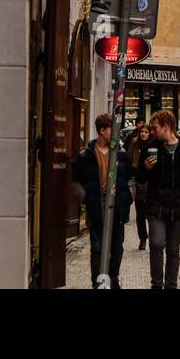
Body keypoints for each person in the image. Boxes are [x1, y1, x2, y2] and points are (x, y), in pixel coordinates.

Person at [136, 110, 180, 291]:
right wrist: (145, 168)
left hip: (178, 206)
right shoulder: (151, 147)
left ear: (166, 127)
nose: (152, 130)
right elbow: (140, 178)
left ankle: (171, 286)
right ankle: (156, 284)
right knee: (156, 243)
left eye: (155, 127)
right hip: (156, 205)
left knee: (173, 249)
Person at [72, 113, 132, 289]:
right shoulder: (86, 155)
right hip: (97, 207)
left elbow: (130, 177)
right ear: (102, 131)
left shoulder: (121, 153)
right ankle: (98, 282)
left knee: (117, 248)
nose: (115, 133)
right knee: (97, 249)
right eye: (112, 129)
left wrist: (129, 195)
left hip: (118, 208)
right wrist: (87, 198)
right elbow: (75, 181)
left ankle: (113, 279)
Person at [127, 122, 152, 250]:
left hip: (150, 183)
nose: (143, 134)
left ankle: (153, 238)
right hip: (137, 181)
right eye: (142, 132)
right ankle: (142, 238)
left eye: (146, 132)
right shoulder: (135, 143)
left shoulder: (153, 145)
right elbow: (129, 157)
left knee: (151, 213)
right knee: (140, 214)